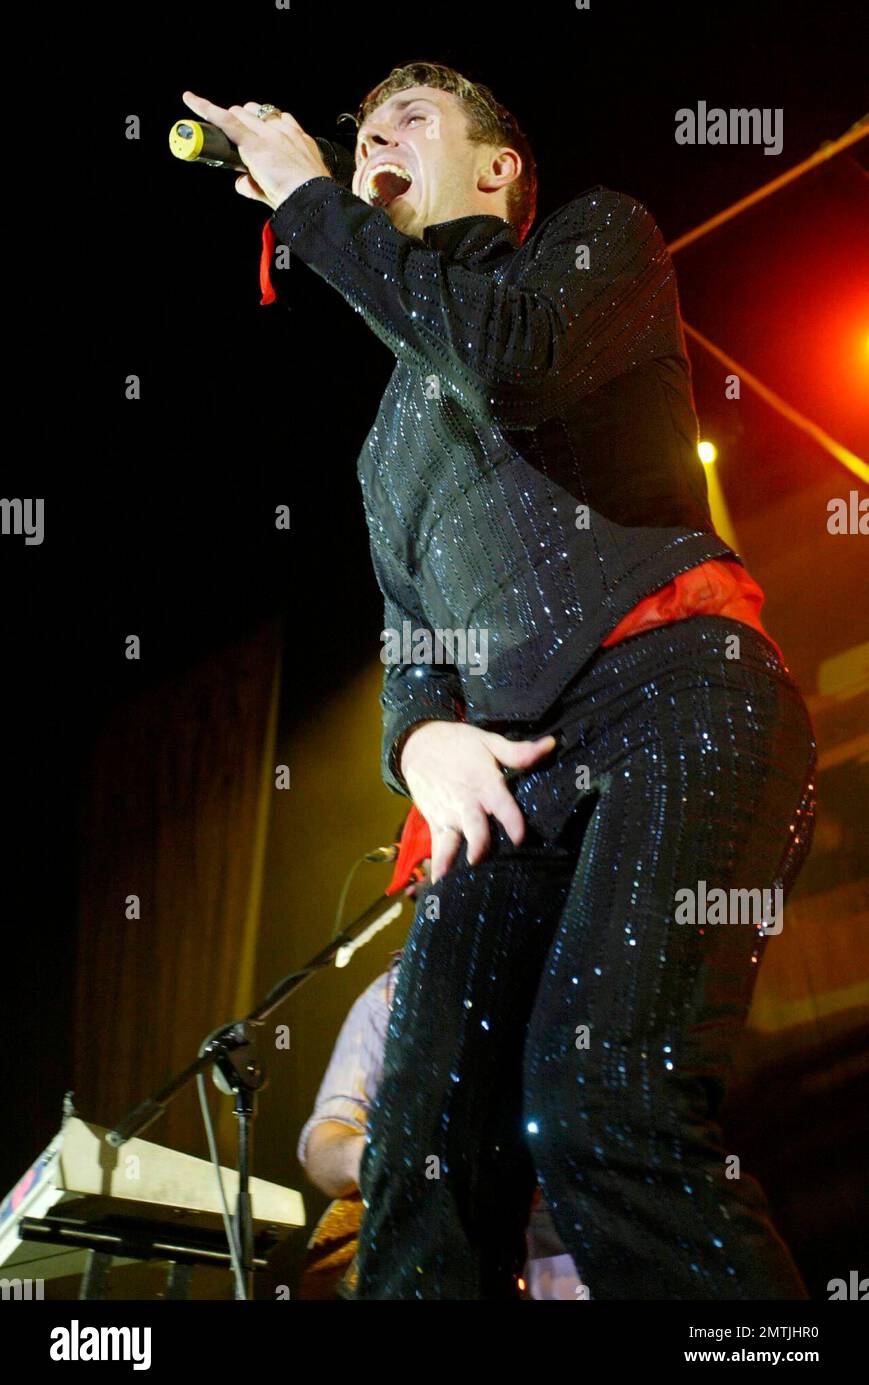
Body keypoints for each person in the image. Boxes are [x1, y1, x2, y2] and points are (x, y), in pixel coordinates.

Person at [182, 60, 816, 1299]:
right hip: (512, 771)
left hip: (670, 701)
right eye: (357, 134)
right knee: (415, 1165)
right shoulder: (380, 451)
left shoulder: (591, 242)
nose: (371, 142)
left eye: (407, 121)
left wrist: (315, 201)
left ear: (496, 168)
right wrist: (419, 742)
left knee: (601, 1105)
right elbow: (408, 631)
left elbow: (506, 360)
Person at [298, 856, 583, 1300]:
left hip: (566, 1260)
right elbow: (323, 1149)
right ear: (415, 884)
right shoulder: (387, 998)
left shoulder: (580, 989)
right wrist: (386, 1153)